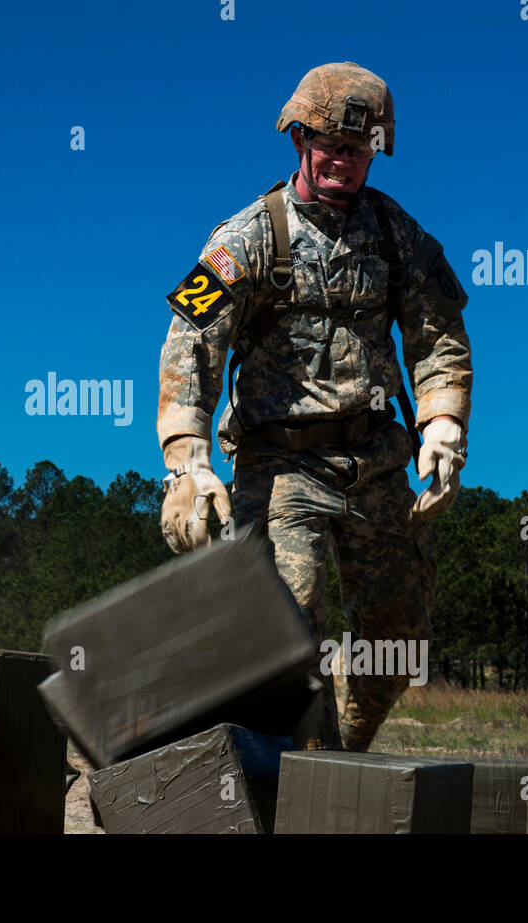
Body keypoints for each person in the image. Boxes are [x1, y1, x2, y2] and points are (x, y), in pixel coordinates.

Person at [156, 61, 473, 751]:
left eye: (358, 150)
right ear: (299, 139)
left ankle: (343, 759)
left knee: (396, 647)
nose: (343, 161)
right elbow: (191, 341)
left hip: (377, 460)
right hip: (279, 466)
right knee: (286, 639)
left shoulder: (397, 236)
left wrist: (444, 424)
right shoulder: (246, 238)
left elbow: (437, 333)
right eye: (329, 145)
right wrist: (187, 460)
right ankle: (302, 782)